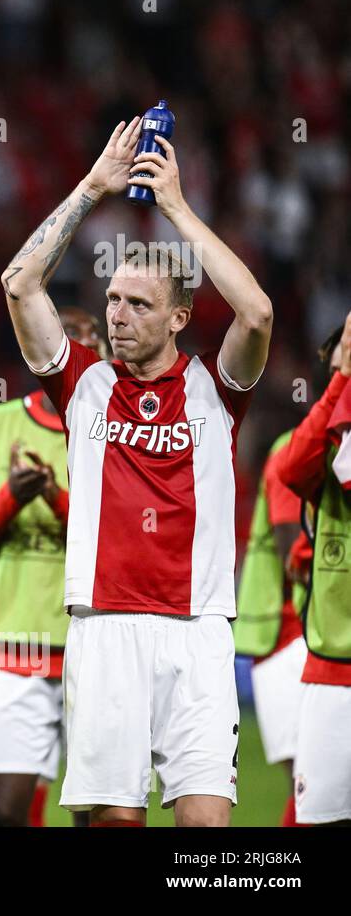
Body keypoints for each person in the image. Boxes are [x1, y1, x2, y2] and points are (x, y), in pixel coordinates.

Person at [1, 117, 272, 826]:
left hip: (199, 628)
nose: (117, 315)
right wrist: (93, 187)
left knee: (205, 824)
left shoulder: (216, 390)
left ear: (180, 317)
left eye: (139, 304)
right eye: (113, 300)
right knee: (115, 821)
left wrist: (176, 207)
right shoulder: (82, 383)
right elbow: (19, 283)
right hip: (104, 625)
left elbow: (257, 312)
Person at [0, 308, 103, 827]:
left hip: (98, 643)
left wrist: (56, 500)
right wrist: (11, 499)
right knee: (3, 813)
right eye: (64, 340)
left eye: (89, 342)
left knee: (100, 813)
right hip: (15, 647)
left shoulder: (119, 430)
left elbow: (121, 539)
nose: (75, 352)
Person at [272, 310, 351, 826]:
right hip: (333, 666)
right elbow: (291, 466)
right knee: (320, 819)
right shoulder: (326, 442)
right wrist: (342, 381)